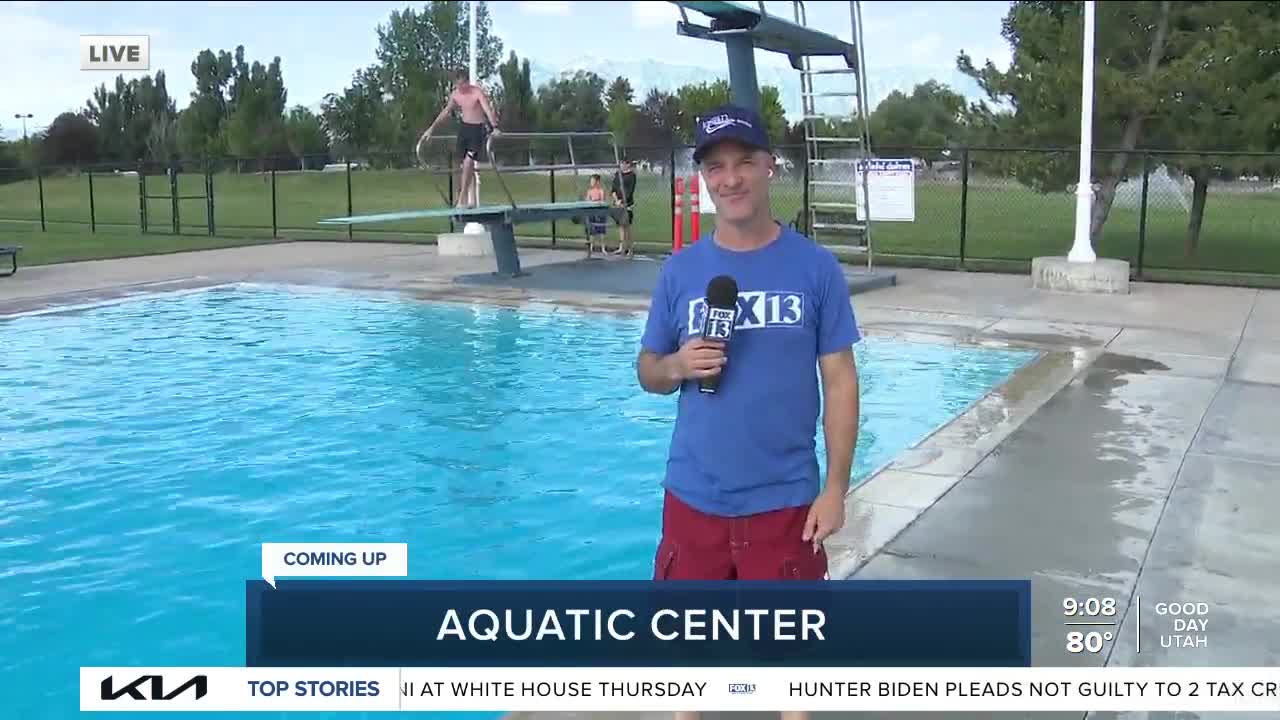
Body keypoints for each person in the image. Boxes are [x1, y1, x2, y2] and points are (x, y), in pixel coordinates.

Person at [635, 103, 861, 720]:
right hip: (694, 499)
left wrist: (836, 488)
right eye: (715, 168)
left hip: (785, 503)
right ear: (704, 180)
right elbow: (647, 369)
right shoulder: (681, 272)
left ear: (769, 167)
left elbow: (840, 380)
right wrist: (678, 365)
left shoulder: (815, 268)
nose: (729, 179)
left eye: (742, 163)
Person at [419, 68, 501, 208]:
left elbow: (487, 109)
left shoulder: (476, 92)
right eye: (458, 84)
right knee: (463, 166)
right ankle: (472, 199)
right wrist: (431, 129)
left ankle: (462, 198)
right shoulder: (456, 95)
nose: (460, 87)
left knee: (469, 162)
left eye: (462, 84)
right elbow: (446, 112)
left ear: (467, 82)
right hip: (464, 129)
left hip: (477, 129)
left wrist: (494, 126)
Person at [609, 158, 637, 256]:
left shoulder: (632, 176)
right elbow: (613, 188)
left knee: (626, 225)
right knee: (620, 225)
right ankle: (621, 247)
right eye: (621, 163)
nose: (622, 165)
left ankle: (629, 247)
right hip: (617, 203)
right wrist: (616, 200)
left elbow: (630, 190)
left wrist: (623, 201)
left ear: (628, 164)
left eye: (623, 163)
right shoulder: (618, 174)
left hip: (627, 203)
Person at [584, 174, 609, 258]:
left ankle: (603, 248)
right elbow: (587, 200)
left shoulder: (601, 190)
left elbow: (602, 201)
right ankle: (591, 247)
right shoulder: (589, 191)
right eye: (591, 181)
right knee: (591, 232)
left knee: (601, 231)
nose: (591, 182)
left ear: (597, 182)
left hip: (600, 212)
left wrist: (597, 202)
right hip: (592, 212)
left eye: (593, 180)